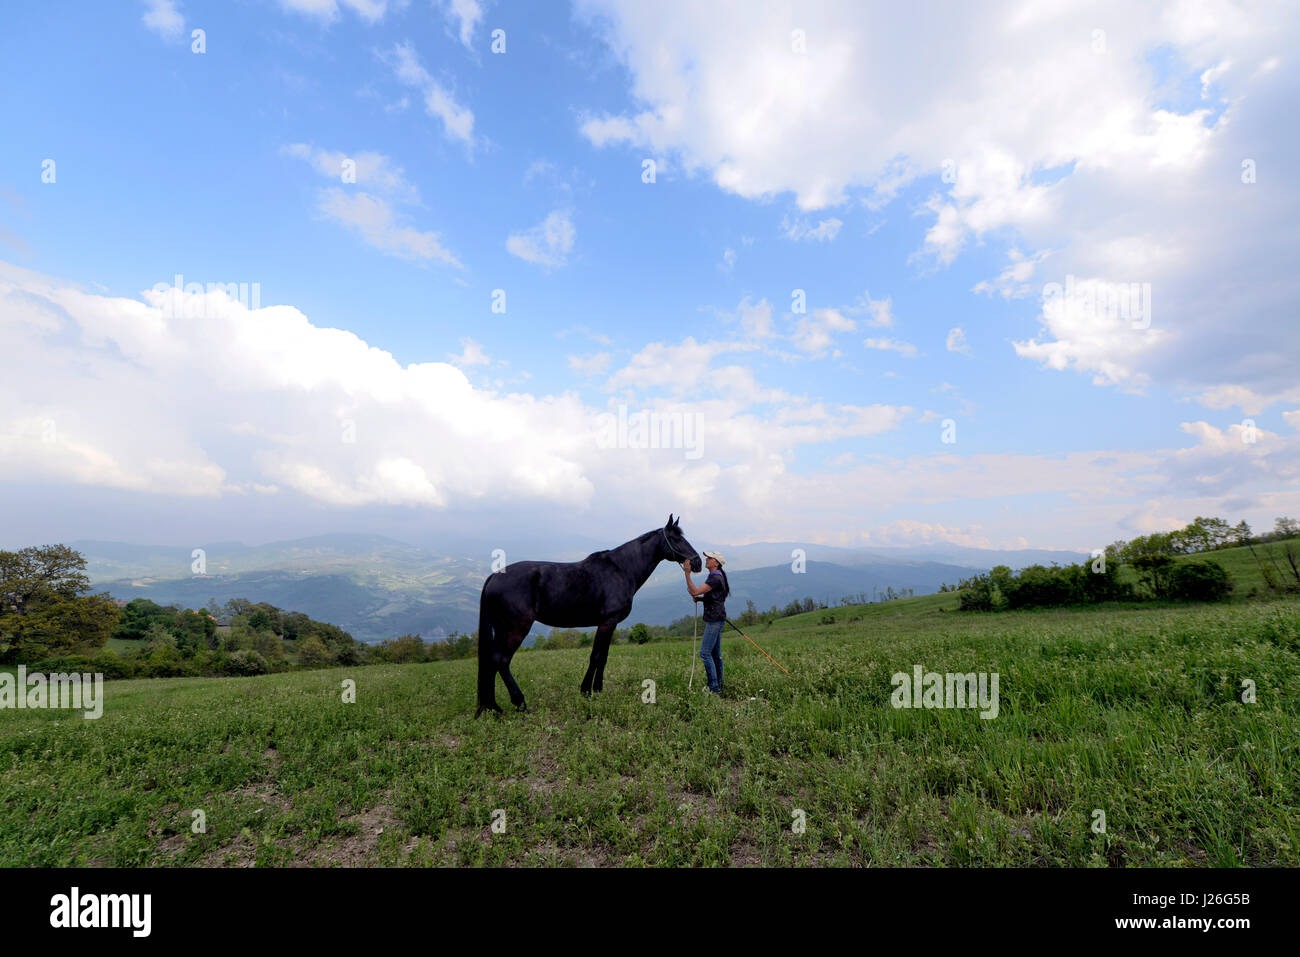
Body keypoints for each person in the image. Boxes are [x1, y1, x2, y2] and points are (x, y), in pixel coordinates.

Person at [682, 551, 729, 695]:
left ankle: (713, 688)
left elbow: (695, 591)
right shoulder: (718, 576)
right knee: (715, 655)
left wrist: (687, 573)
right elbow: (715, 596)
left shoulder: (715, 578)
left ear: (716, 563)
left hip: (714, 620)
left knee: (704, 653)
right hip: (718, 618)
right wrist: (702, 599)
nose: (706, 560)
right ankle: (718, 686)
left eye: (709, 558)